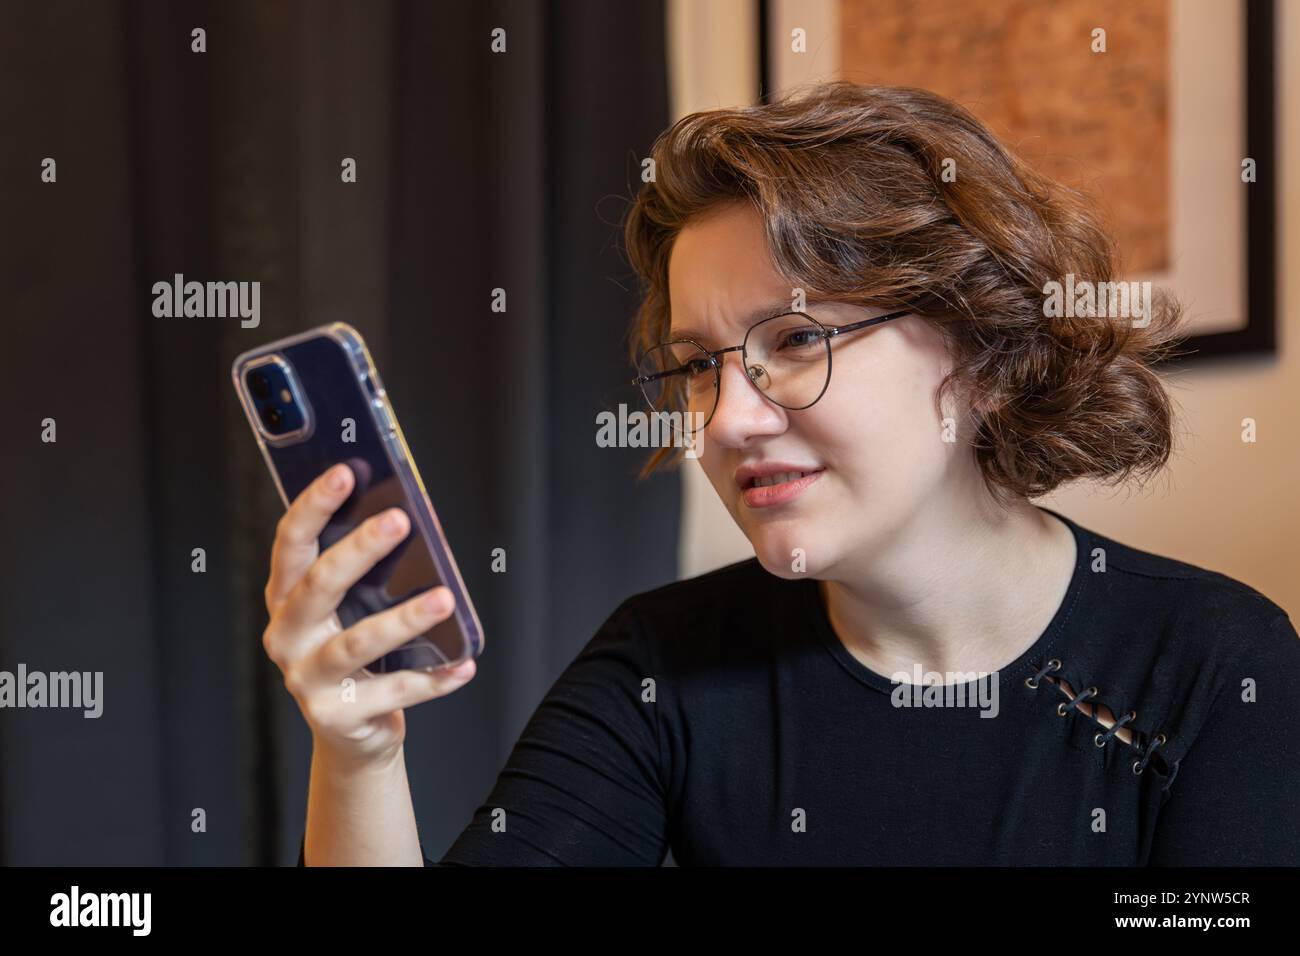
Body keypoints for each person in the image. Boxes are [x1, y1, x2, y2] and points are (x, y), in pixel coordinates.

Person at [276, 82, 1300, 866]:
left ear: (982, 357)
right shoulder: (660, 668)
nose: (726, 419)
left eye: (797, 340)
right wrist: (359, 752)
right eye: (696, 366)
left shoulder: (1210, 663)